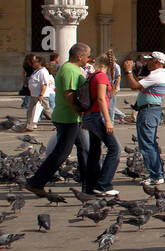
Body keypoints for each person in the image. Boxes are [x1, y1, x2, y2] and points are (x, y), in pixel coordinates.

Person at [25, 43, 91, 196]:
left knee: (84, 149)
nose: (88, 59)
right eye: (87, 56)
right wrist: (81, 114)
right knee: (62, 152)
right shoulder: (69, 70)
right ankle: (36, 182)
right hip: (68, 118)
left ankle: (87, 184)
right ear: (80, 56)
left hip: (72, 117)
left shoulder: (72, 68)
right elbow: (70, 95)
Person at [123, 52, 165, 186]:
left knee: (147, 145)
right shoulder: (160, 74)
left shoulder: (157, 75)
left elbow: (134, 86)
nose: (146, 63)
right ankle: (157, 173)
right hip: (151, 110)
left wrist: (128, 71)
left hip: (148, 111)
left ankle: (155, 175)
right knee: (151, 144)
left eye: (149, 61)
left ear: (156, 62)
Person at [80, 54, 121, 196]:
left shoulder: (91, 76)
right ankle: (104, 184)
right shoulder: (101, 76)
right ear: (109, 66)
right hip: (98, 116)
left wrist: (85, 117)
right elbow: (101, 98)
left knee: (94, 151)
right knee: (115, 149)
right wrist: (108, 120)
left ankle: (90, 185)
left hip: (90, 116)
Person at [24, 55, 54, 131]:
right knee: (31, 110)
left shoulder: (43, 71)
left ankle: (58, 123)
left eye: (35, 61)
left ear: (39, 63)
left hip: (40, 95)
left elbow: (44, 84)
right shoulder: (36, 71)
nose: (33, 63)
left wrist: (41, 94)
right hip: (34, 94)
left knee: (47, 111)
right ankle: (30, 125)